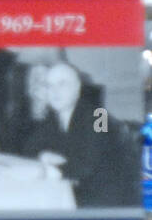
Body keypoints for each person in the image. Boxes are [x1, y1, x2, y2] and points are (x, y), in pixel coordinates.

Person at [21, 61, 137, 208]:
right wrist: (44, 156)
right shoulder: (53, 118)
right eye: (49, 86)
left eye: (62, 84)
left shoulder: (99, 116)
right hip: (75, 191)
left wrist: (54, 168)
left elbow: (88, 166)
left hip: (109, 201)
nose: (54, 91)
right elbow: (29, 149)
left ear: (77, 88)